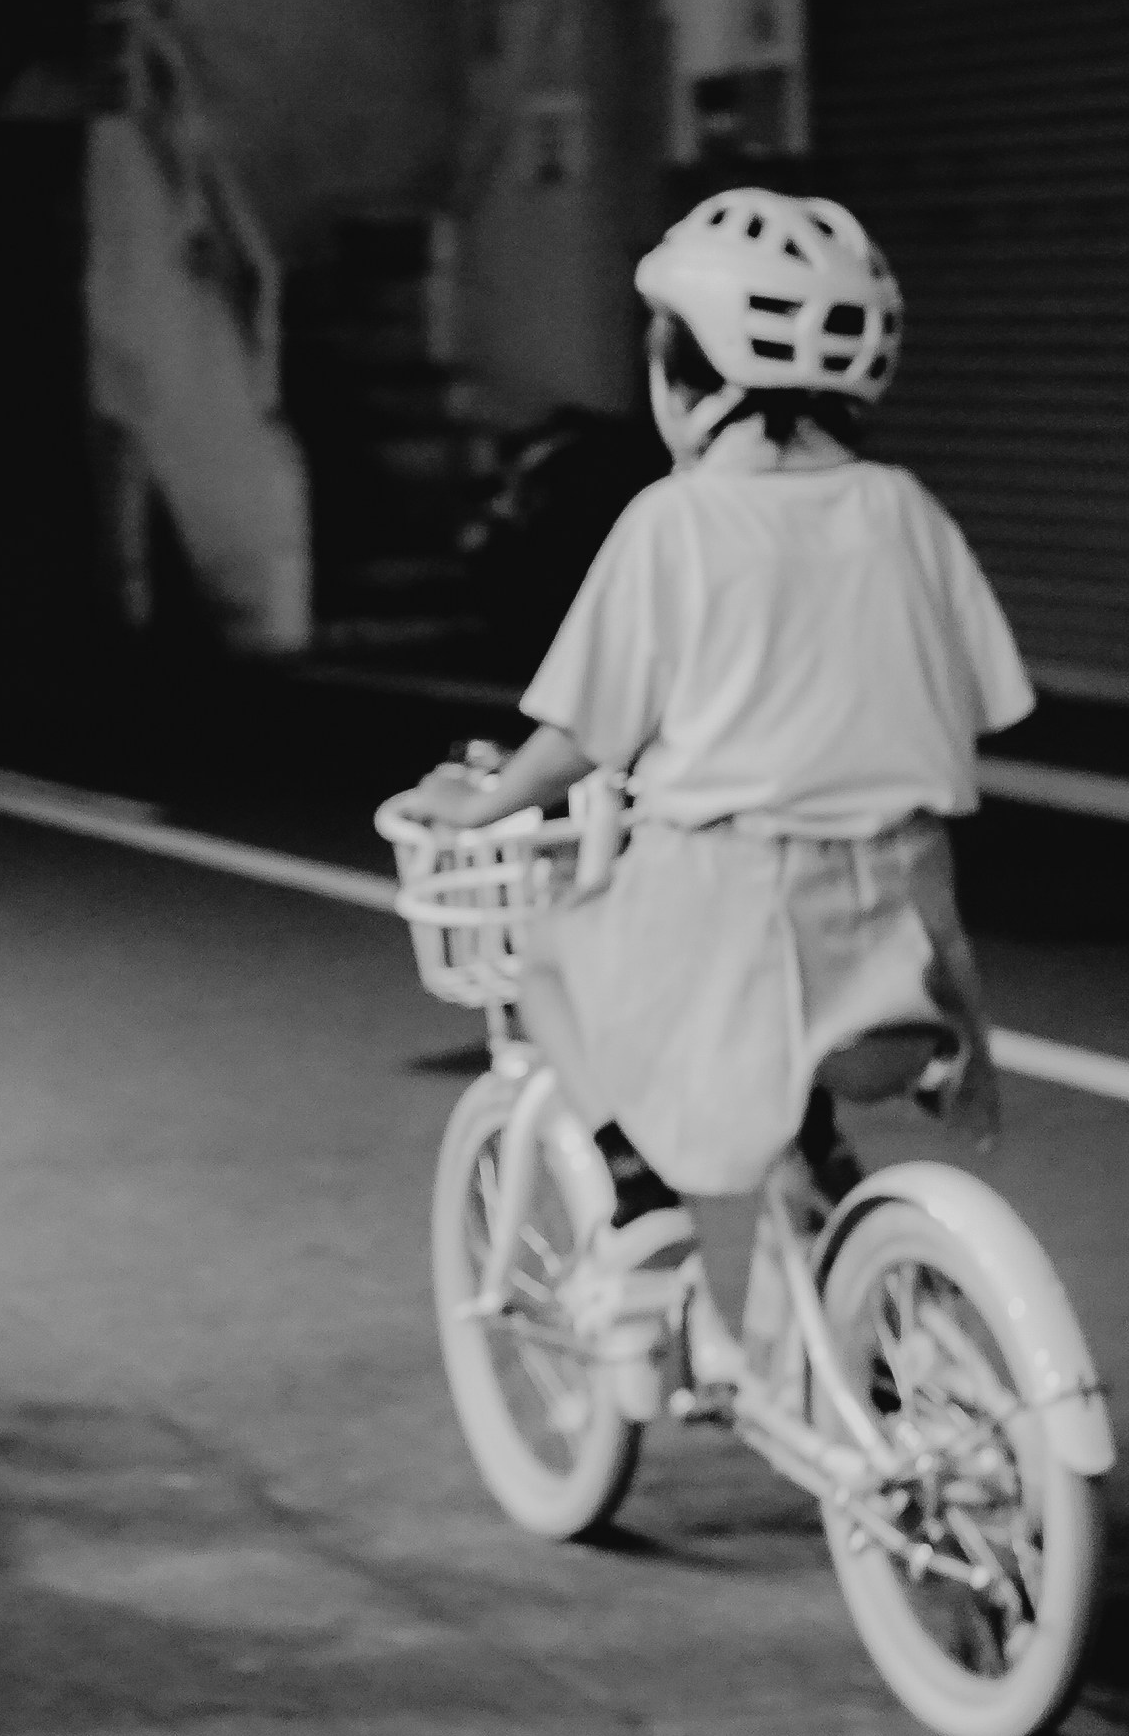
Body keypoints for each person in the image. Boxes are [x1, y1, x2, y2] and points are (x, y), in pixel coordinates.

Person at [403, 186, 1034, 1366]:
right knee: (797, 1079)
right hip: (906, 952)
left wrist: (483, 803)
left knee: (552, 956)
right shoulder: (906, 512)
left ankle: (639, 1205)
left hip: (738, 920)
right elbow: (977, 698)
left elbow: (586, 733)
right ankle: (851, 1303)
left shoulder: (676, 523)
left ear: (684, 381)